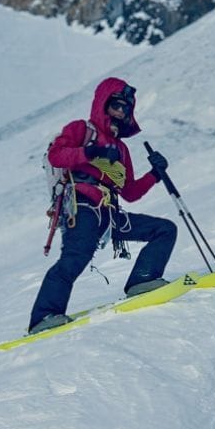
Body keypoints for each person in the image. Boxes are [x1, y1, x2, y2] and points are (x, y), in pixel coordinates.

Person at [29, 77, 177, 334]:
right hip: (81, 207)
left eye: (125, 108)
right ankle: (44, 317)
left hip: (108, 214)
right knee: (76, 257)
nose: (120, 111)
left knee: (164, 230)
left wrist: (156, 174)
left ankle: (143, 280)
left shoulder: (121, 149)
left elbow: (129, 192)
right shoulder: (81, 130)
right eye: (116, 105)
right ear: (103, 103)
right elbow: (57, 155)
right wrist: (90, 153)